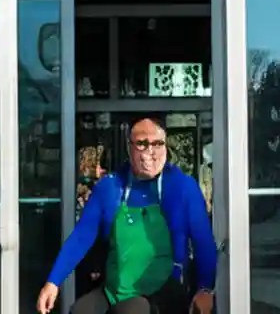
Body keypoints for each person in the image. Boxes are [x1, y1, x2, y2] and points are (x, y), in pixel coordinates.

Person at [37, 114, 216, 314]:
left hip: (165, 288)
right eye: (142, 144)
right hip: (115, 289)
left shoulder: (183, 187)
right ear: (129, 148)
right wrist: (53, 281)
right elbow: (81, 236)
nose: (150, 152)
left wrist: (205, 288)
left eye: (157, 144)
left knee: (129, 311)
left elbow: (204, 243)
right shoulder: (110, 187)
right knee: (80, 311)